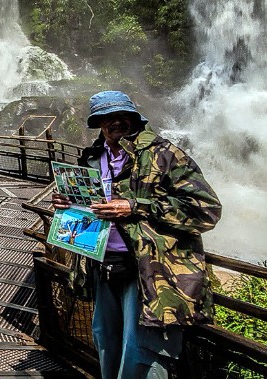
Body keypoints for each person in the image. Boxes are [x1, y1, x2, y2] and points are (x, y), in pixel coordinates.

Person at [52, 90, 222, 379]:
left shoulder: (165, 154)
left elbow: (206, 210)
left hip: (149, 271)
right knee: (106, 342)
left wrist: (135, 206)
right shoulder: (93, 158)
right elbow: (90, 206)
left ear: (134, 118)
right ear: (98, 123)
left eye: (120, 116)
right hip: (102, 266)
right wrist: (67, 203)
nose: (113, 123)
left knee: (142, 354)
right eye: (105, 118)